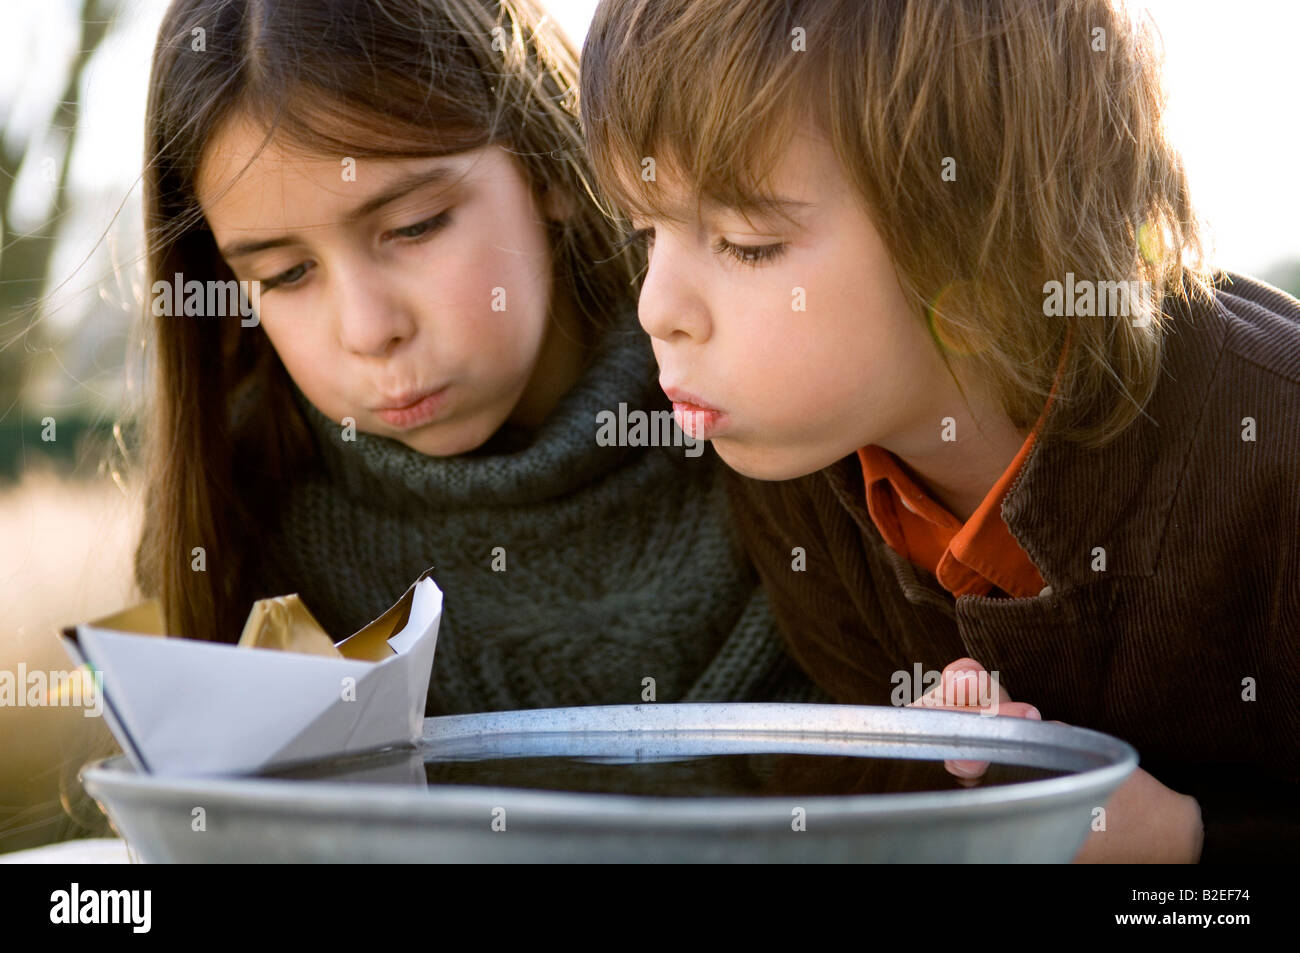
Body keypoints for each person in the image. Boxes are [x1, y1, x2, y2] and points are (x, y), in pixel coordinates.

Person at [579, 0, 1299, 861]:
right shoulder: (794, 462)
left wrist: (1183, 849)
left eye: (745, 243)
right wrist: (925, 777)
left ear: (993, 249)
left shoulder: (1271, 453)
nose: (656, 307)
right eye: (645, 230)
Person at [125, 0, 825, 715]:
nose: (369, 330)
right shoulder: (238, 515)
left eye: (414, 226)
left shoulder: (789, 410)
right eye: (285, 275)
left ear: (545, 165)